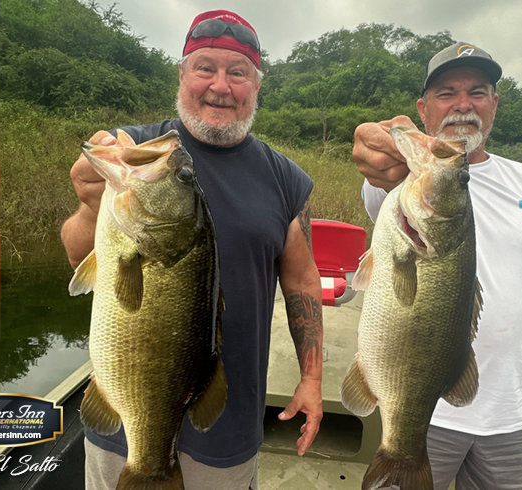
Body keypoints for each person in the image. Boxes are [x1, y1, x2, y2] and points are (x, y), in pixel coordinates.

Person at [60, 10, 323, 490]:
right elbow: (79, 258)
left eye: (237, 72)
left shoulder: (286, 179)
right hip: (124, 421)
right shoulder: (138, 148)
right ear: (182, 74)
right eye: (205, 67)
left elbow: (303, 281)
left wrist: (312, 379)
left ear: (256, 85)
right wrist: (88, 206)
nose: (220, 86)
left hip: (228, 421)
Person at [352, 41, 522, 489]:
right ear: (423, 108)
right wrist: (383, 140)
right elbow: (377, 165)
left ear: (495, 104)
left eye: (478, 92)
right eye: (447, 92)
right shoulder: (399, 184)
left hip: (511, 413)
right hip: (423, 404)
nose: (463, 105)